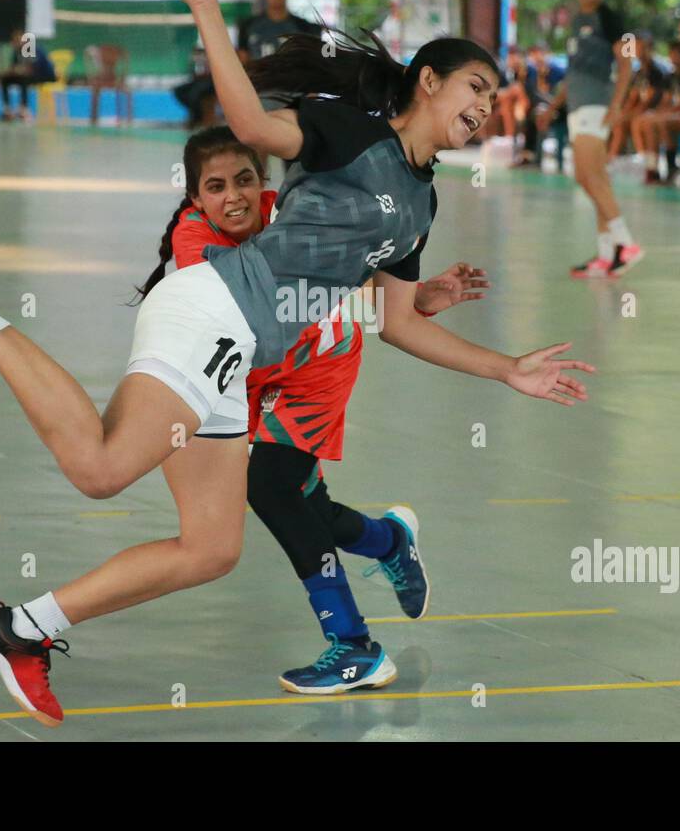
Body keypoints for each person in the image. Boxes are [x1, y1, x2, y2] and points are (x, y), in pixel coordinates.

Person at [0, 0, 595, 727]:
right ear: (429, 81)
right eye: (477, 87)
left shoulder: (420, 204)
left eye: (497, 98)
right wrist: (204, 4)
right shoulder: (348, 132)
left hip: (238, 356)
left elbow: (401, 323)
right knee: (101, 470)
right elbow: (246, 124)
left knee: (211, 547)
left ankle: (21, 631)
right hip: (211, 313)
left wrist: (506, 369)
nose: (488, 106)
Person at [140, 125, 488, 692]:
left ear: (265, 180)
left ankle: (353, 646)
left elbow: (359, 258)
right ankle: (387, 540)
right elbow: (287, 288)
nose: (234, 197)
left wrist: (413, 299)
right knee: (303, 502)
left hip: (317, 373)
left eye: (246, 180)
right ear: (195, 197)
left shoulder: (298, 213)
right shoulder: (193, 241)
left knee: (272, 487)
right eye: (217, 186)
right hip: (253, 379)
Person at [541, 0, 644, 278]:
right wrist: (553, 106)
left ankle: (627, 244)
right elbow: (573, 73)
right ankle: (605, 254)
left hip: (597, 105)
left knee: (590, 177)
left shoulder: (611, 19)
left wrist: (616, 106)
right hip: (575, 107)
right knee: (591, 178)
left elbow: (627, 64)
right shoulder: (577, 20)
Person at [174, 0, 320, 126]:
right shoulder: (249, 26)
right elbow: (243, 61)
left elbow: (314, 66)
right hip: (260, 91)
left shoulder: (305, 28)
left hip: (292, 92)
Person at [632, 40, 680, 183]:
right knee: (648, 123)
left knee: (660, 123)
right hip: (670, 113)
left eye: (678, 54)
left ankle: (671, 165)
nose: (674, 57)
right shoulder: (669, 77)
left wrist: (664, 114)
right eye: (672, 53)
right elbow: (665, 101)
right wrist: (658, 112)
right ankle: (652, 169)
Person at [608, 32, 666, 173]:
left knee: (638, 122)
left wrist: (629, 114)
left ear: (650, 48)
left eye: (642, 47)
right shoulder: (638, 72)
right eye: (637, 47)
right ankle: (609, 161)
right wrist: (621, 113)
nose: (639, 51)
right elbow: (633, 99)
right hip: (639, 111)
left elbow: (647, 102)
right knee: (617, 123)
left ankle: (648, 166)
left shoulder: (657, 71)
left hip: (655, 111)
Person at [0, 29, 56, 121]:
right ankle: (7, 109)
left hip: (43, 75)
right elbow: (14, 67)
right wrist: (10, 72)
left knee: (24, 80)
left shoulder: (32, 49)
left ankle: (23, 109)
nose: (16, 42)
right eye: (14, 40)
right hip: (26, 76)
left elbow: (32, 69)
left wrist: (19, 70)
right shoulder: (17, 51)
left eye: (18, 40)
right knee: (5, 80)